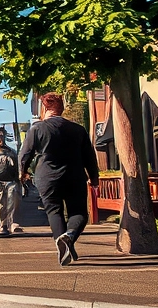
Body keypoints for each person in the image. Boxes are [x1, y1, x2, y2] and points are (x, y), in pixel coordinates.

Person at [19, 91, 100, 266]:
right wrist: (94, 177)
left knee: (53, 211)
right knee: (78, 213)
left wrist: (23, 172)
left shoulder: (37, 129)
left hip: (46, 177)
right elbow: (89, 156)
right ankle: (69, 236)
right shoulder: (78, 130)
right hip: (74, 176)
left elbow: (25, 154)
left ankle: (64, 245)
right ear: (61, 109)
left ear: (44, 109)